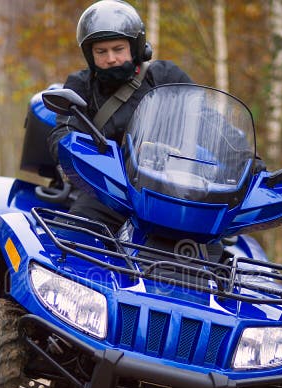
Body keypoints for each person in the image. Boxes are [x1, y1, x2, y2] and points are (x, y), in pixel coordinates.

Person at [48, 0, 192, 231]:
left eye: (118, 49)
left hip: (169, 190)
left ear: (136, 48)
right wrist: (75, 153)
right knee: (71, 237)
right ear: (90, 54)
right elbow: (64, 132)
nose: (111, 58)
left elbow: (207, 119)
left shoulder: (165, 76)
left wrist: (247, 161)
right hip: (107, 191)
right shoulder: (81, 85)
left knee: (223, 253)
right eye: (101, 51)